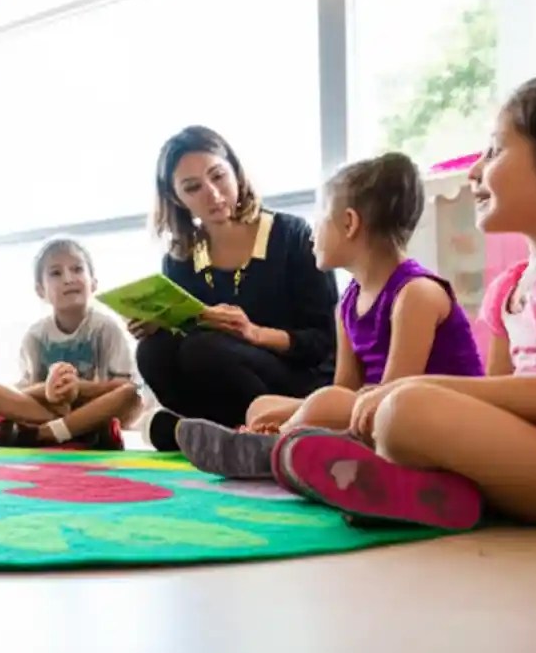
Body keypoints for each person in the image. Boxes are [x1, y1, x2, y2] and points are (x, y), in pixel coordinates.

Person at [272, 69, 536, 531]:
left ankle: (400, 481)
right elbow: (497, 393)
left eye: (494, 151)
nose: (476, 170)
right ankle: (418, 488)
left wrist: (418, 390)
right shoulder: (511, 286)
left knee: (406, 410)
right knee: (342, 404)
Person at [162, 152, 484, 476]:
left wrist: (323, 408)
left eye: (320, 218)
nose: (312, 233)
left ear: (349, 223)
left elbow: (396, 394)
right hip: (373, 412)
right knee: (263, 407)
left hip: (427, 418)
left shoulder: (415, 293)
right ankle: (284, 442)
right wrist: (305, 410)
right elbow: (345, 387)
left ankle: (271, 450)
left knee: (327, 404)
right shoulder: (348, 303)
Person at [135, 125, 339, 450]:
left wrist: (254, 333)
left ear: (235, 169)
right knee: (152, 350)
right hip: (220, 375)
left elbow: (324, 342)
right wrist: (159, 322)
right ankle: (217, 432)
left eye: (218, 176)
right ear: (177, 198)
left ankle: (234, 434)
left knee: (204, 349)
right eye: (193, 187)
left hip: (296, 378)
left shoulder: (291, 236)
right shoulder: (181, 257)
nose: (213, 194)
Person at [0, 236, 140, 450]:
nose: (68, 278)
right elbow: (27, 389)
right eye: (56, 273)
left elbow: (122, 385)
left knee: (131, 396)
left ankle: (44, 434)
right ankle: (79, 432)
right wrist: (49, 390)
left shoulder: (106, 328)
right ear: (40, 290)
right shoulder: (35, 336)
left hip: (94, 407)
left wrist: (79, 388)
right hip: (53, 409)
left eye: (77, 269)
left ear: (93, 283)